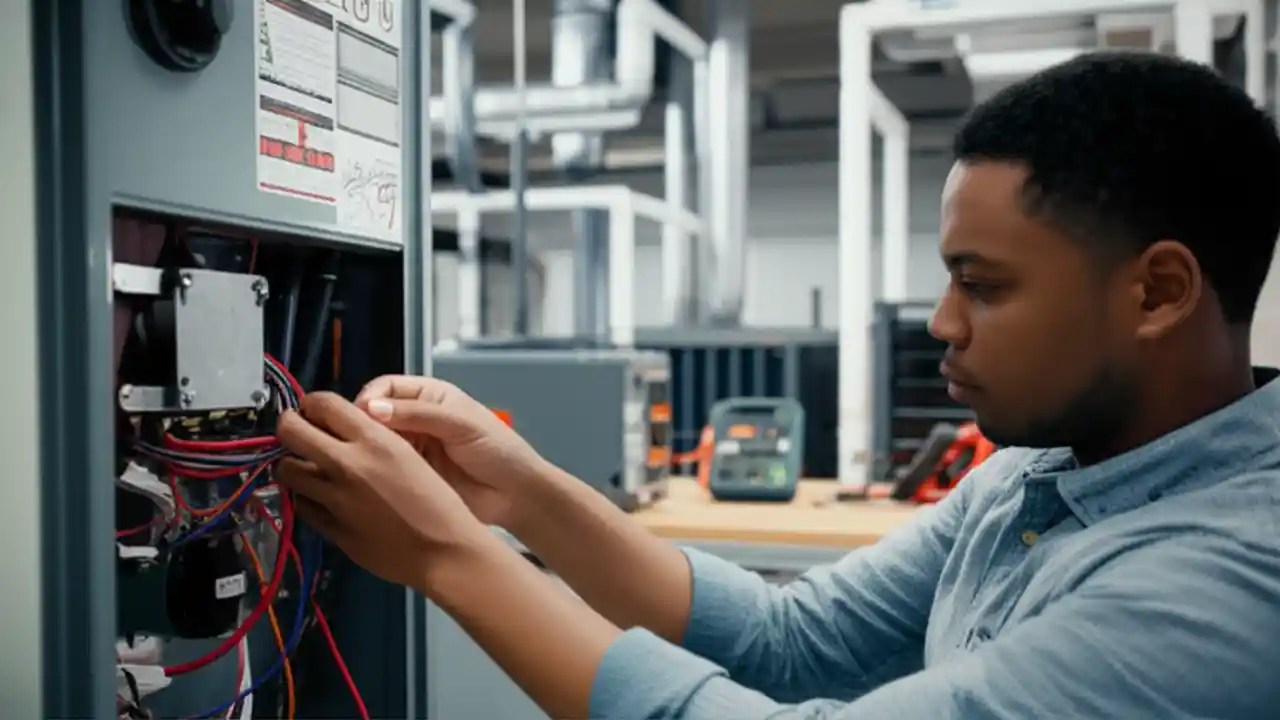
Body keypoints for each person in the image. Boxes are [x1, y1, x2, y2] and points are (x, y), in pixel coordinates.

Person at [274, 51, 1280, 719]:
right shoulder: (1037, 477)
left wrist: (453, 558)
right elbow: (785, 639)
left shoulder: (1224, 587)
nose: (940, 321)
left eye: (981, 285)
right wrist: (526, 493)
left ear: (1156, 292)